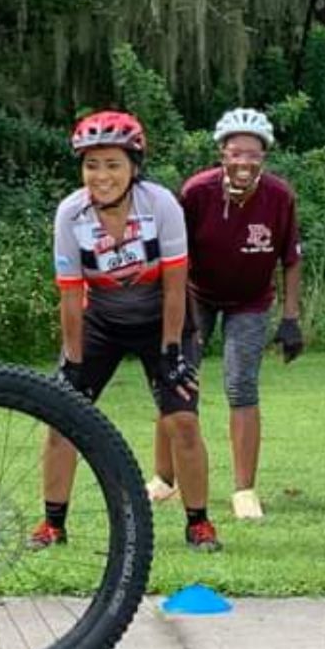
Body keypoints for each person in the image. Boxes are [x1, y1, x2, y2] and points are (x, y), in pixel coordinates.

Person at [37, 111, 220, 553]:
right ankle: (52, 525)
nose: (101, 176)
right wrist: (74, 362)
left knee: (182, 420)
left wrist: (173, 351)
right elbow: (70, 297)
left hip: (162, 317)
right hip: (101, 319)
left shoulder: (160, 205)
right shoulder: (70, 213)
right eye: (91, 165)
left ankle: (199, 524)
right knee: (62, 418)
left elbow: (177, 286)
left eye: (112, 164)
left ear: (134, 167)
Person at [148, 108, 304, 522]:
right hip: (197, 295)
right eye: (237, 153)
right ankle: (164, 479)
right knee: (177, 383)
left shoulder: (279, 197)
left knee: (241, 386)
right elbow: (174, 255)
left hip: (250, 301)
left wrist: (291, 319)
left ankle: (244, 490)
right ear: (222, 153)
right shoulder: (197, 192)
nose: (245, 163)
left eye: (254, 155)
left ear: (264, 159)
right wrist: (169, 307)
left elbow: (291, 259)